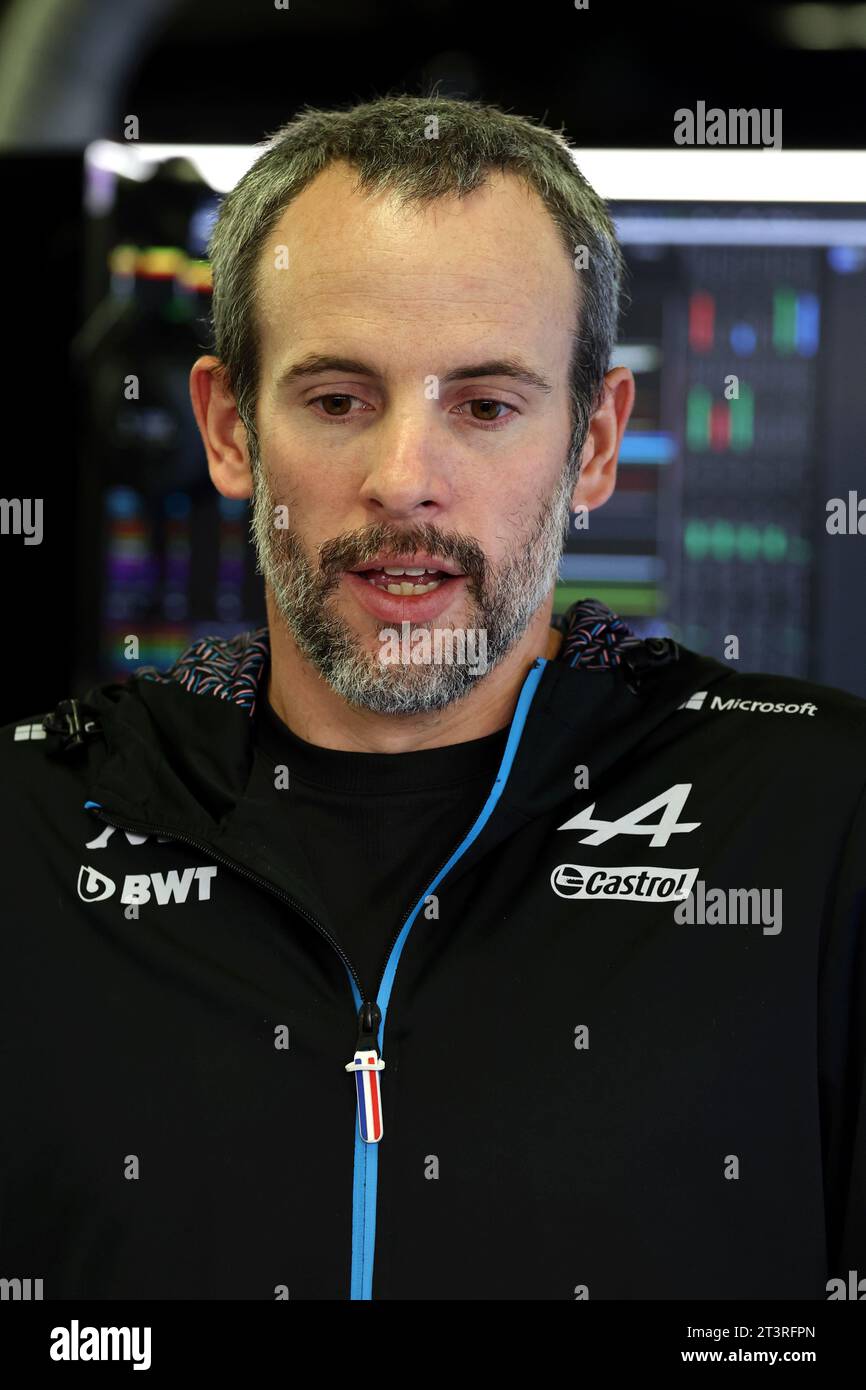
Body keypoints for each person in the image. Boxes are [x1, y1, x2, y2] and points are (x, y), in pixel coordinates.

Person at [2, 93, 864, 1302]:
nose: (405, 481)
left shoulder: (824, 822)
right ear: (229, 429)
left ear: (596, 444)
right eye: (338, 399)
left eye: (486, 405)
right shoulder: (28, 834)